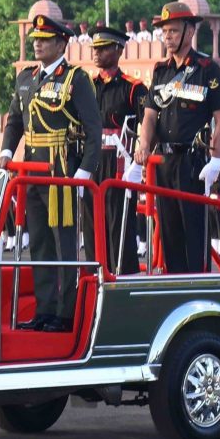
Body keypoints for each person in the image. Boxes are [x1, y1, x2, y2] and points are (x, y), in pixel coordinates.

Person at [0, 13, 102, 331]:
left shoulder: (75, 79)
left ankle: (66, 311)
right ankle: (45, 309)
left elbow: (93, 129)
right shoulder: (26, 79)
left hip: (61, 169)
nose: (38, 45)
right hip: (32, 170)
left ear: (61, 43)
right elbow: (15, 120)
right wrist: (6, 150)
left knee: (63, 243)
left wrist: (84, 172)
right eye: (35, 40)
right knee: (40, 242)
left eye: (44, 40)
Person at [130, 0, 220, 274]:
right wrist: (143, 149)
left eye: (173, 31)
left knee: (193, 231)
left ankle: (196, 287)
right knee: (169, 229)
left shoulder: (207, 69)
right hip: (163, 161)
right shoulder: (161, 71)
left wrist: (217, 160)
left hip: (193, 162)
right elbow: (150, 115)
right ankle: (175, 285)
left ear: (189, 31)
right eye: (165, 32)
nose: (168, 37)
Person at [88, 25, 146, 274]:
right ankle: (92, 279)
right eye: (95, 49)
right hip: (91, 160)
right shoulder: (88, 86)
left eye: (102, 49)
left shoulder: (133, 88)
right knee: (91, 224)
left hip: (119, 162)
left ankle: (122, 278)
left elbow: (150, 124)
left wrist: (139, 163)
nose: (96, 53)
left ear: (118, 50)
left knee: (118, 225)